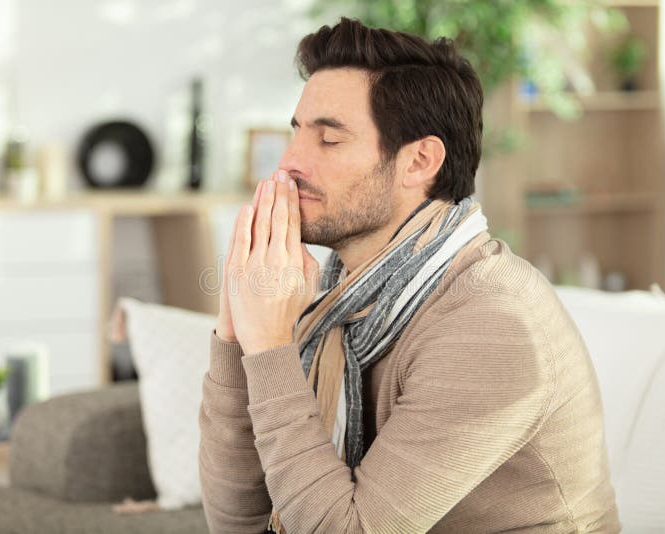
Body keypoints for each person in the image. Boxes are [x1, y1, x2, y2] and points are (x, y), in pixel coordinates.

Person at [198, 17, 620, 533]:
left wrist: (269, 350)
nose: (288, 163)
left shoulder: (492, 323)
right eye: (296, 133)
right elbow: (236, 523)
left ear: (419, 161)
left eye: (328, 140)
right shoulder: (337, 295)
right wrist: (235, 334)